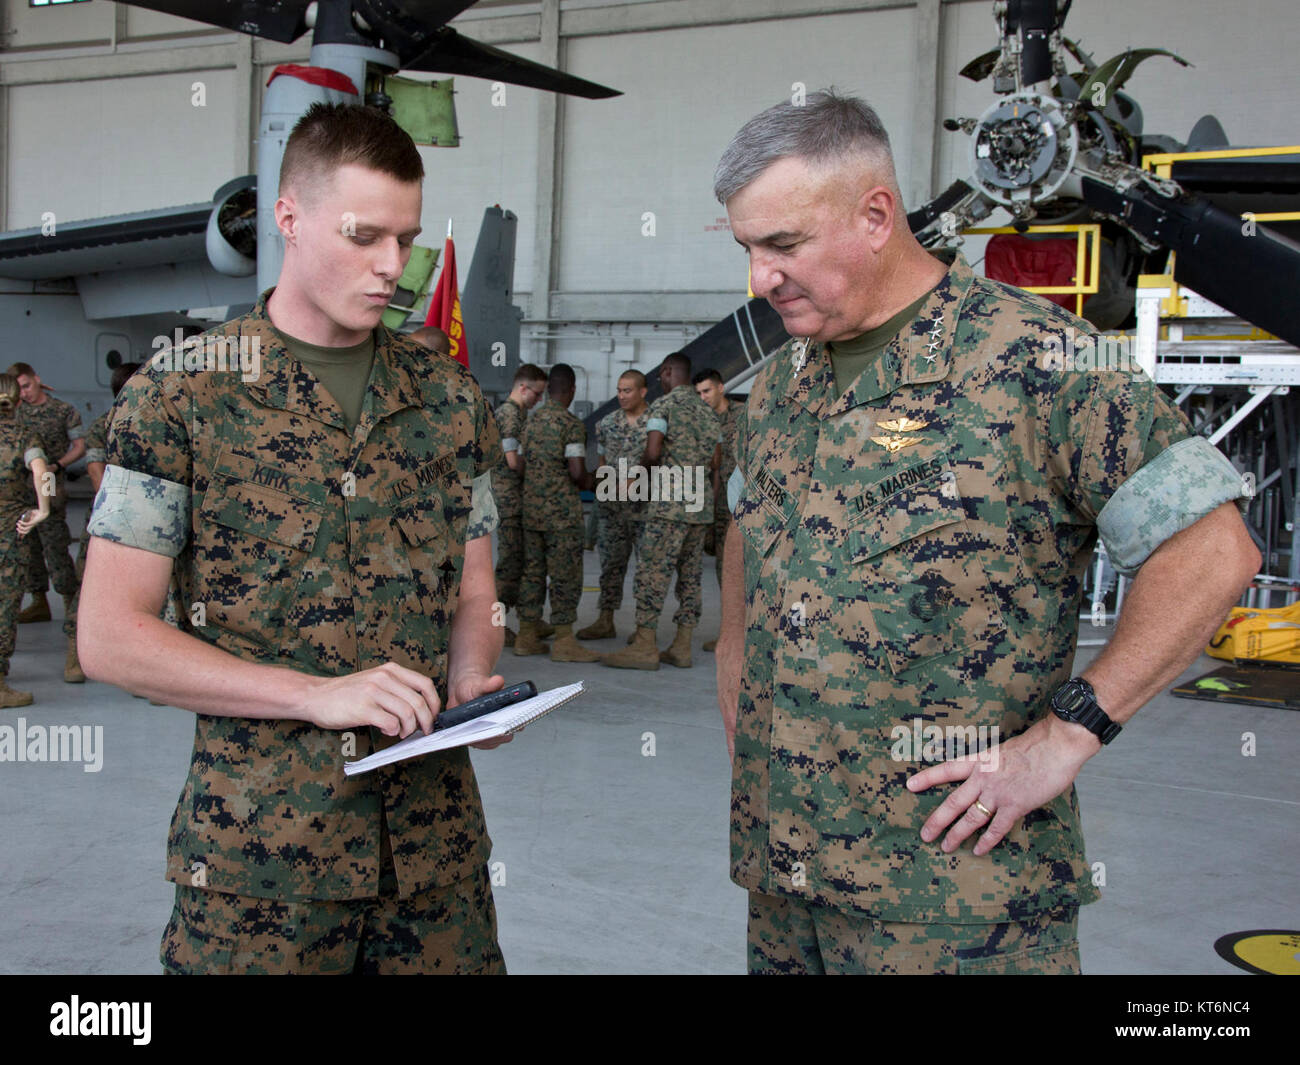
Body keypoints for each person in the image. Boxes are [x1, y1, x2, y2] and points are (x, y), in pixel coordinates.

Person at [712, 90, 1259, 974]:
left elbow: (1213, 548)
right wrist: (733, 652)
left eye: (783, 246)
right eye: (747, 249)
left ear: (876, 216)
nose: (760, 279)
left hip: (956, 909)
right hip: (784, 876)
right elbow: (748, 519)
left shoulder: (1039, 362)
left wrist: (1071, 732)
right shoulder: (782, 387)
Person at [79, 102, 512, 974]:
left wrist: (471, 678)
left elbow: (475, 586)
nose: (394, 266)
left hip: (433, 866)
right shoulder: (183, 394)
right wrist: (314, 694)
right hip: (259, 866)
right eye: (365, 235)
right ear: (289, 218)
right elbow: (111, 638)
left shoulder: (448, 398)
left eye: (407, 237)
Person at [603, 352, 719, 671]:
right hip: (700, 503)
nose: (660, 381)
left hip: (670, 502)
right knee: (691, 575)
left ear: (667, 372)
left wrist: (634, 479)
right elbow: (716, 463)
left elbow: (653, 452)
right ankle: (682, 646)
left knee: (653, 572)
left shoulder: (663, 406)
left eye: (661, 376)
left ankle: (644, 645)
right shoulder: (708, 412)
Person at [514, 363, 600, 663]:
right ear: (573, 390)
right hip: (561, 515)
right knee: (565, 575)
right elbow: (577, 473)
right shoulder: (571, 424)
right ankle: (564, 640)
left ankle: (526, 635)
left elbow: (521, 464)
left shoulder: (530, 422)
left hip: (532, 511)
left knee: (532, 573)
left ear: (549, 389)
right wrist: (595, 477)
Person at [65, 362, 143, 685]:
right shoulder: (105, 424)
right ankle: (74, 654)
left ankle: (142, 667)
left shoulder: (151, 419)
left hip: (145, 521)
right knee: (88, 585)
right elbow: (95, 469)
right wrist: (117, 511)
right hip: (109, 518)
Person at [7, 363, 84, 676]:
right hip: (18, 489)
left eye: (26, 386)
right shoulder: (13, 412)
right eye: (19, 388)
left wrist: (57, 464)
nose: (23, 392)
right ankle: (38, 600)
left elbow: (79, 445)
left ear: (37, 380)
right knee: (26, 549)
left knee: (55, 544)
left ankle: (68, 606)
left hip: (49, 482)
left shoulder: (63, 410)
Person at [577, 370, 650, 642]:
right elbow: (603, 463)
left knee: (647, 570)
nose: (621, 396)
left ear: (643, 392)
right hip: (613, 510)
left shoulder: (656, 422)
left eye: (627, 390)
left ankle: (645, 629)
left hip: (644, 509)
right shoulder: (607, 423)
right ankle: (605, 620)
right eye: (619, 390)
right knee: (611, 566)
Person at [0, 373, 52, 708]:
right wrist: (43, 509)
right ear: (18, 401)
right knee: (4, 603)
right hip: (9, 531)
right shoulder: (22, 434)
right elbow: (42, 472)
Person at [492, 363, 550, 647]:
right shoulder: (510, 415)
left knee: (522, 561)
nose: (538, 400)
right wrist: (539, 471)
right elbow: (513, 460)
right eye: (536, 394)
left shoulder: (516, 413)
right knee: (510, 564)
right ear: (523, 387)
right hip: (510, 500)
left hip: (514, 498)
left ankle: (530, 618)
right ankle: (497, 626)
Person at [692, 368, 738, 652]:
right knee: (725, 569)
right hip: (715, 504)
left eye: (706, 391)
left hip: (745, 501)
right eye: (698, 393)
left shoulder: (745, 415)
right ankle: (730, 633)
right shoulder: (701, 420)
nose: (703, 397)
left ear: (721, 387)